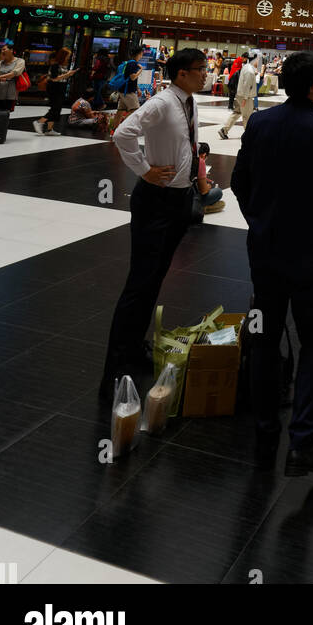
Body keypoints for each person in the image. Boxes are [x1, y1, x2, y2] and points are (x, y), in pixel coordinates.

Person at [231, 51, 313, 476]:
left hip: (265, 252)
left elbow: (238, 182)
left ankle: (265, 425)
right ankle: (303, 440)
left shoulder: (260, 123)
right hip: (311, 257)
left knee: (264, 334)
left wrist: (258, 220)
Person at [99, 48, 209, 401]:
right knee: (140, 282)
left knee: (155, 276)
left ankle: (133, 349)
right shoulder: (162, 102)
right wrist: (144, 169)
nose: (205, 74)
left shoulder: (188, 101)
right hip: (156, 200)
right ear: (181, 74)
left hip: (178, 199)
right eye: (199, 70)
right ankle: (115, 366)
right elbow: (123, 133)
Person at [35, 47, 79, 135]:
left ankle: (49, 130)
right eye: (68, 56)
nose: (68, 58)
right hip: (54, 88)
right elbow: (54, 79)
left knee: (57, 109)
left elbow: (61, 77)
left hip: (60, 88)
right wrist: (67, 74)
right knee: (55, 108)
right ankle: (39, 122)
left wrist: (69, 74)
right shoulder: (55, 65)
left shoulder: (63, 65)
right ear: (63, 56)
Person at [218, 54, 256, 138]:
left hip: (240, 94)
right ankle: (248, 135)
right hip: (245, 96)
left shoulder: (246, 67)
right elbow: (246, 85)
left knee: (237, 112)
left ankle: (224, 130)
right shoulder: (249, 71)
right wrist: (245, 98)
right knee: (247, 116)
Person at [192, 141, 225, 218]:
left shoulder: (185, 157)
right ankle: (203, 208)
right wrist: (208, 186)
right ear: (204, 155)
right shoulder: (200, 161)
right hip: (190, 198)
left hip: (174, 196)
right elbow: (203, 191)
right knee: (218, 192)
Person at [0, 44, 26, 111]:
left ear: (11, 50)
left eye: (4, 49)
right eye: (1, 50)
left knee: (5, 113)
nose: (2, 51)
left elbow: (15, 73)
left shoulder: (20, 61)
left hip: (10, 93)